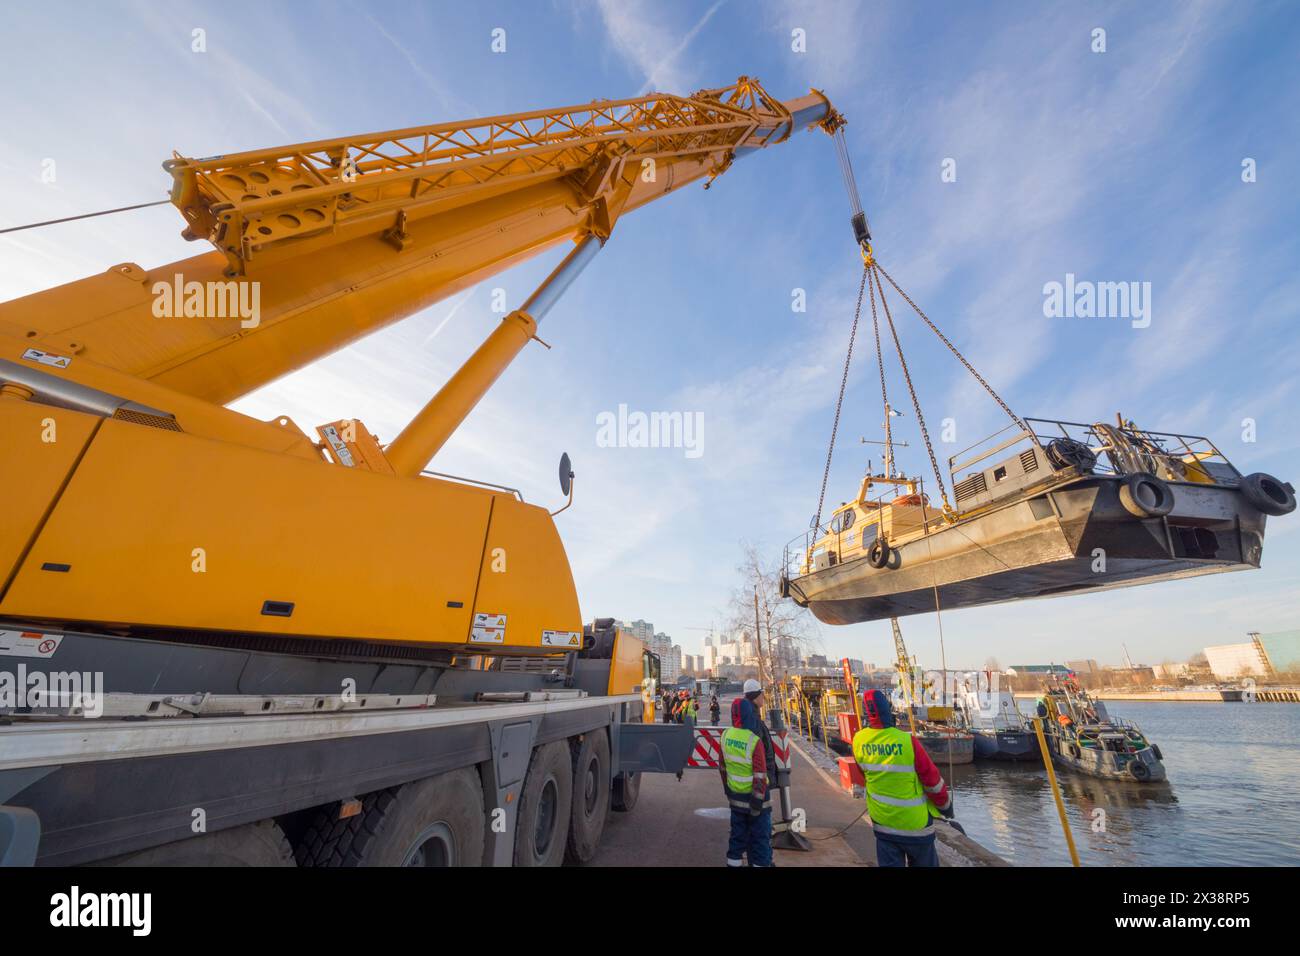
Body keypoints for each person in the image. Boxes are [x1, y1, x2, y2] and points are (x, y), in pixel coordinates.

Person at [852, 688, 953, 868]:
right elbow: (932, 781)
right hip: (916, 827)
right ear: (887, 710)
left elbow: (864, 774)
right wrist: (945, 807)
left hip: (883, 825)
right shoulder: (907, 741)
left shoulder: (859, 740)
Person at [719, 679, 772, 867]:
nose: (764, 696)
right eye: (762, 693)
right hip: (756, 797)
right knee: (760, 840)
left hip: (736, 798)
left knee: (737, 839)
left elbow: (723, 768)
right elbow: (759, 770)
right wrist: (758, 798)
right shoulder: (752, 738)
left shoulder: (726, 735)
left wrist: (728, 790)